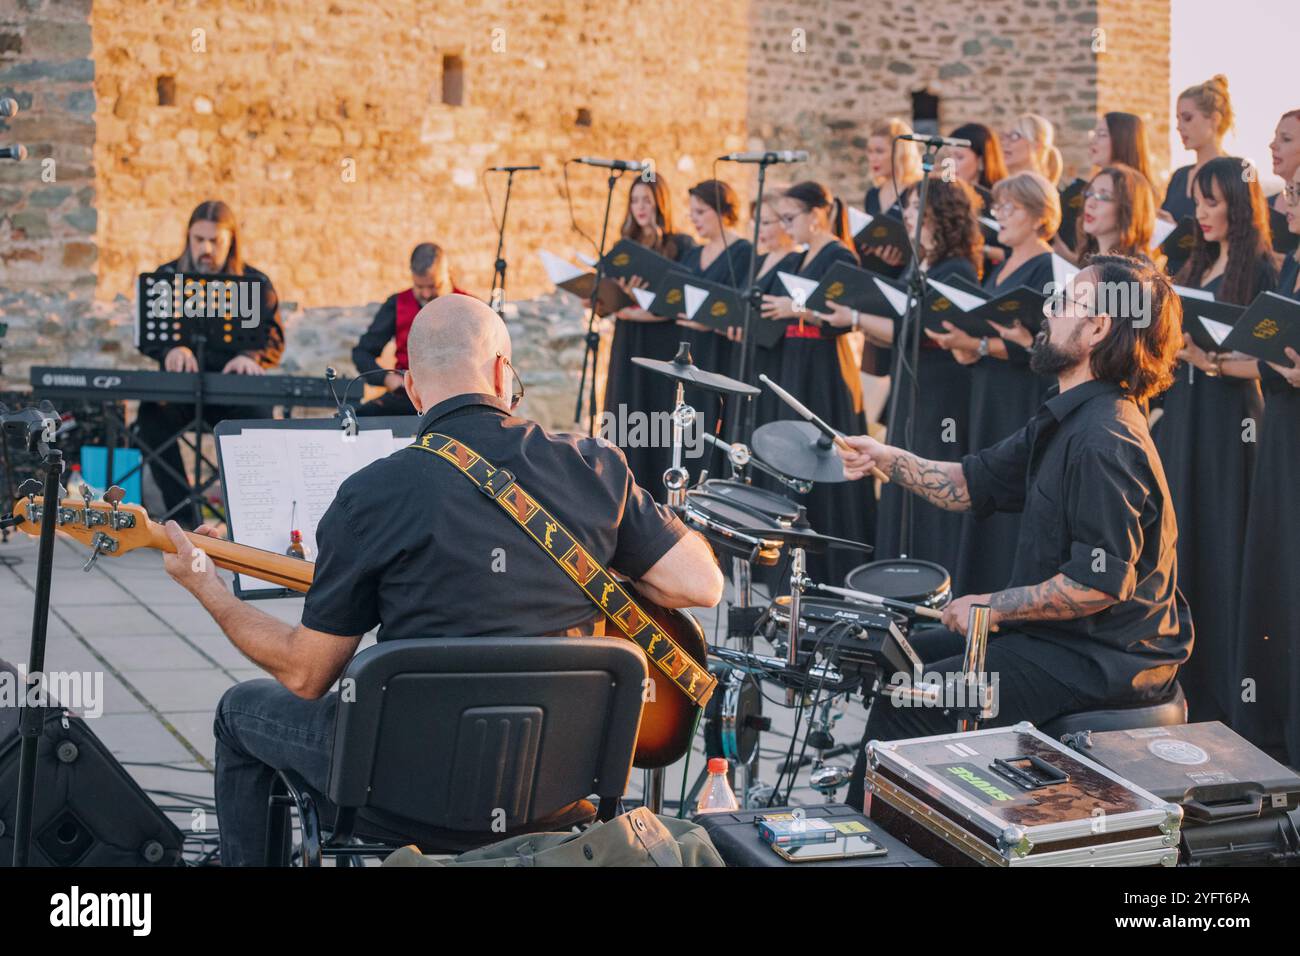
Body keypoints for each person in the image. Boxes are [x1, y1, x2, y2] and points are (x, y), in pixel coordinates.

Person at [162, 294, 725, 866]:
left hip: (405, 800)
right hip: (562, 790)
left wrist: (206, 585)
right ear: (504, 373)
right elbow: (701, 585)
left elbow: (307, 674)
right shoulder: (594, 466)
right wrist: (593, 551)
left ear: (412, 390)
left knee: (238, 712)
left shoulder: (370, 495)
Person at [840, 255, 1187, 808]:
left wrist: (991, 607)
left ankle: (881, 840)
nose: (1048, 312)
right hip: (1060, 643)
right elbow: (970, 483)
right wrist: (886, 457)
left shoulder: (1107, 439)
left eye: (1065, 302)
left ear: (1098, 328)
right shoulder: (1069, 417)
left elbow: (1098, 585)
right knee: (900, 655)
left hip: (1103, 663)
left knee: (909, 697)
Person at [1155, 155, 1276, 724]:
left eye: (1211, 202)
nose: (1199, 213)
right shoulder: (1193, 263)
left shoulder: (1263, 269)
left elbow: (1272, 359)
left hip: (1233, 421)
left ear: (1238, 204)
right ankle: (1180, 680)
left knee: (1222, 540)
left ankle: (1232, 694)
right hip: (1186, 412)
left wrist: (1217, 363)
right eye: (1196, 202)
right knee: (1183, 542)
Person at [823, 178, 982, 580]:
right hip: (911, 390)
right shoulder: (919, 264)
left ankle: (934, 576)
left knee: (930, 471)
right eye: (907, 207)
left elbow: (924, 330)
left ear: (940, 217)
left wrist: (856, 318)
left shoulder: (957, 268)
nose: (906, 215)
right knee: (900, 471)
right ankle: (898, 571)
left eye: (916, 208)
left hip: (943, 395)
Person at [928, 172, 1059, 596]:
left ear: (1041, 216)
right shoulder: (1001, 267)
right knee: (985, 477)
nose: (999, 215)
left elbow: (1042, 342)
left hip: (1020, 394)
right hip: (985, 389)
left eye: (1011, 208)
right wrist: (966, 346)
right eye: (997, 207)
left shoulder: (1048, 267)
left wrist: (981, 344)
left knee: (1012, 483)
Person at [135, 200, 283, 529]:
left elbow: (274, 339)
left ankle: (252, 522)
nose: (206, 248)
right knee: (150, 417)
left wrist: (250, 357)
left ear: (231, 241)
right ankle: (184, 520)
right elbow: (149, 336)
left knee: (260, 420)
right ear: (188, 238)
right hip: (182, 390)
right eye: (198, 239)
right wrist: (171, 349)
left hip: (233, 392)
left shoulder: (256, 282)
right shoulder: (166, 278)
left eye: (215, 241)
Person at [755, 181, 874, 583]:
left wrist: (796, 307)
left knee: (824, 457)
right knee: (794, 457)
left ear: (818, 214)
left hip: (824, 368)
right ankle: (791, 563)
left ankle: (829, 565)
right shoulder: (801, 257)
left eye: (791, 218)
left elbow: (842, 314)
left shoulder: (840, 254)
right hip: (797, 363)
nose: (786, 227)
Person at [1233, 162, 1300, 764]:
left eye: (1296, 197)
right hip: (1283, 433)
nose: (1283, 207)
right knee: (1281, 573)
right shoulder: (1294, 264)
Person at [600, 174, 697, 498]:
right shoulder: (622, 247)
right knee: (626, 412)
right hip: (629, 340)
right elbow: (609, 300)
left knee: (658, 418)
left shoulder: (680, 245)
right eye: (634, 200)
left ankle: (660, 495)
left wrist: (644, 308)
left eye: (646, 200)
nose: (640, 208)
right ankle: (623, 493)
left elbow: (685, 298)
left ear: (660, 203)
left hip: (663, 342)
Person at [676, 179, 753, 477]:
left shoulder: (743, 251)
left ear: (722, 210)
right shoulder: (694, 254)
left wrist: (708, 319)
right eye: (691, 212)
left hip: (723, 350)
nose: (694, 218)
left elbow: (738, 306)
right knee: (691, 424)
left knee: (715, 424)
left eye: (701, 211)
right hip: (692, 349)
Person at [351, 242, 469, 417]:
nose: (426, 294)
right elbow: (362, 352)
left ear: (448, 272)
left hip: (454, 400)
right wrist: (387, 378)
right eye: (419, 287)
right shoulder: (397, 304)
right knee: (356, 420)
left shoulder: (469, 306)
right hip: (407, 397)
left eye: (433, 286)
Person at [1161, 75, 1232, 223]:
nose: (1179, 127)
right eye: (1178, 119)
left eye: (1187, 118)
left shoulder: (1235, 173)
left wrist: (1176, 232)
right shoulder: (1179, 177)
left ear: (1214, 119)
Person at [1072, 164, 1158, 266]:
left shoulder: (1136, 270)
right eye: (1090, 193)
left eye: (1103, 196)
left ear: (1128, 208)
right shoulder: (1089, 256)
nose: (1090, 203)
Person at [1086, 112, 1155, 186]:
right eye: (1094, 134)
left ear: (1122, 140)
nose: (1093, 140)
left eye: (1102, 134)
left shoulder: (1128, 187)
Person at [1002, 113, 1063, 187]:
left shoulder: (1043, 193)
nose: (1005, 143)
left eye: (1014, 136)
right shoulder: (998, 188)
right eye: (1004, 136)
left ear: (1038, 146)